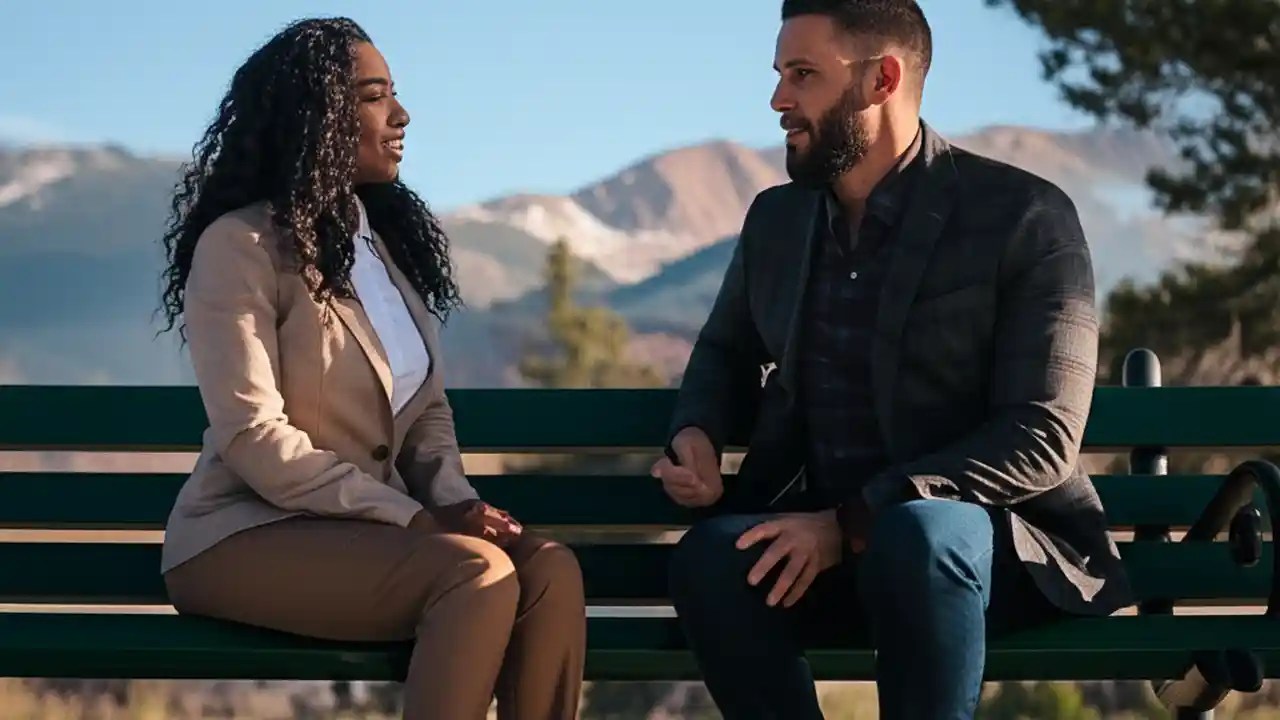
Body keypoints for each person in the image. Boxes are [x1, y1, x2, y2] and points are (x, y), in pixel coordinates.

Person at [650, 1, 1134, 717]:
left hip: (984, 561)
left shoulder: (1024, 215)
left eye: (803, 75)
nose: (778, 100)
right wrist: (697, 432)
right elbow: (724, 351)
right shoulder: (776, 222)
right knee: (711, 561)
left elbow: (1042, 437)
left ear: (882, 78)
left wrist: (850, 523)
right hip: (822, 560)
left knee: (917, 535)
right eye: (781, 74)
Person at [156, 17, 585, 720]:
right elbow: (254, 436)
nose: (401, 114)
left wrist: (452, 503)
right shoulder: (241, 247)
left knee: (548, 572)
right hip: (243, 536)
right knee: (474, 576)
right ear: (318, 116)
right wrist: (412, 520)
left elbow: (426, 417)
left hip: (372, 535)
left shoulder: (378, 249)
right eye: (374, 96)